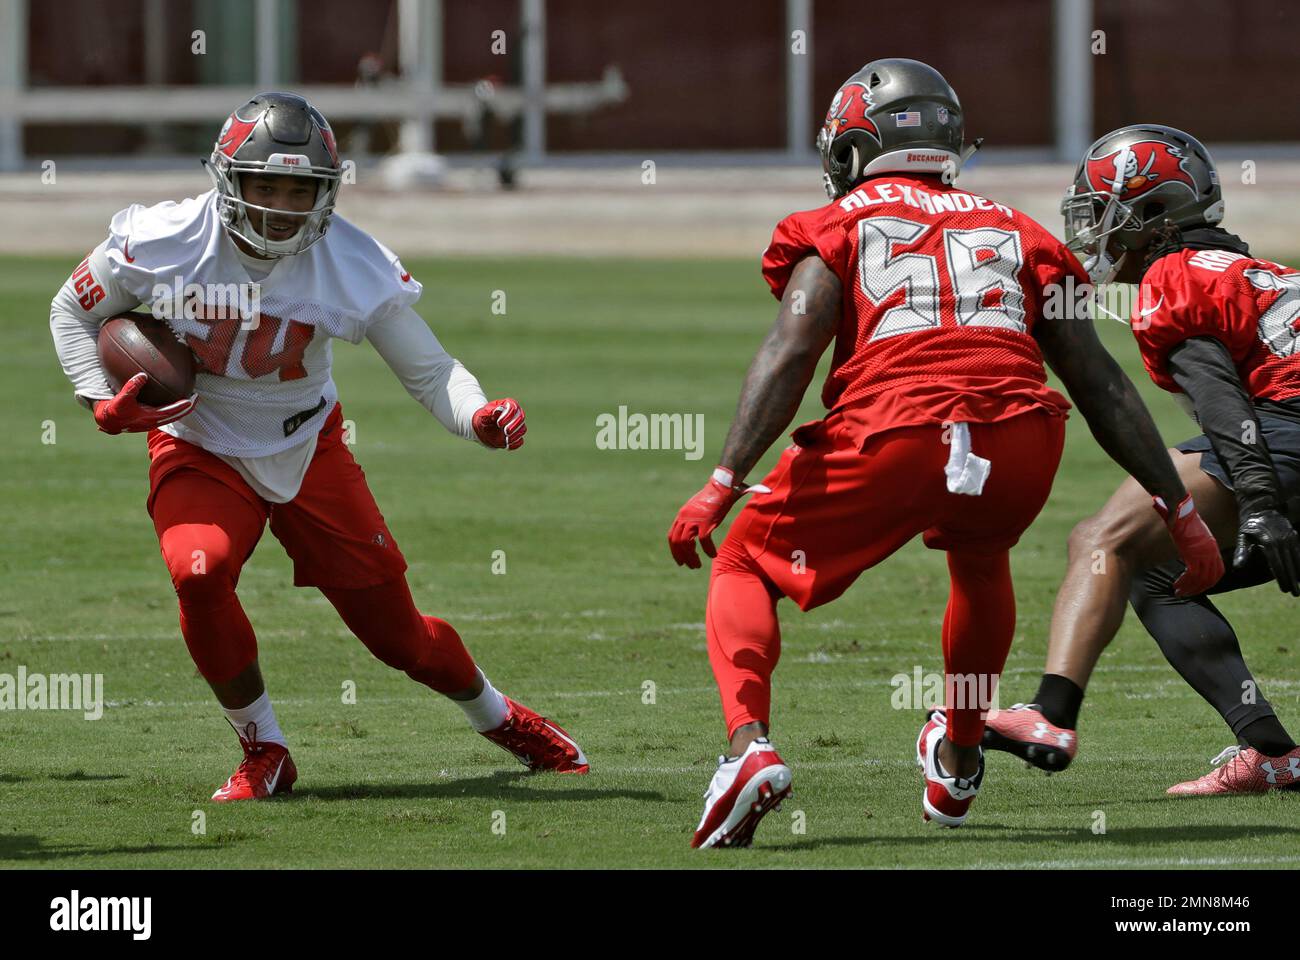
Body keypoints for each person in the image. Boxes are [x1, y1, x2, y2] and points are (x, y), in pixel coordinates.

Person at [667, 60, 1222, 847]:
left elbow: (793, 349)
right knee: (982, 555)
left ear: (855, 147)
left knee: (743, 564)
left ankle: (747, 749)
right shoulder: (1019, 228)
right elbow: (1100, 381)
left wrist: (724, 479)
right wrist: (1177, 505)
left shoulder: (837, 223)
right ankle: (959, 761)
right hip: (1023, 435)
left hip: (897, 427)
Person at [49, 92, 588, 802]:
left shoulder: (350, 258)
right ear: (228, 179)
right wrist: (97, 396)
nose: (278, 204)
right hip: (200, 439)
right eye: (264, 184)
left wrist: (478, 415)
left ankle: (499, 716)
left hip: (307, 444)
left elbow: (430, 371)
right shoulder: (163, 237)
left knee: (400, 640)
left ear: (325, 193)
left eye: (298, 189)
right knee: (198, 570)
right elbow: (71, 308)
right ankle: (264, 747)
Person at [984, 124, 1300, 795]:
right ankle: (1272, 751)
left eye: (1102, 213)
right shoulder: (1257, 271)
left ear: (1153, 216)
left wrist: (1263, 504)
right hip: (1283, 424)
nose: (1092, 231)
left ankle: (1050, 713)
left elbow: (1220, 400)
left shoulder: (1174, 276)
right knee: (1159, 574)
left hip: (1287, 427)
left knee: (1105, 541)